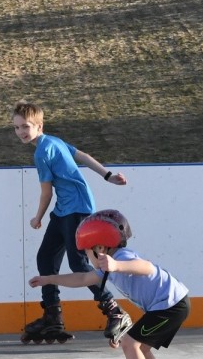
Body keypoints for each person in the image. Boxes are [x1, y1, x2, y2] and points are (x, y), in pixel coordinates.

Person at [29, 209, 190, 359]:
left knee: (130, 343)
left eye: (87, 252)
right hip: (168, 305)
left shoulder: (122, 259)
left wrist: (116, 266)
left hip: (171, 306)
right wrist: (49, 279)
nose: (86, 257)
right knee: (140, 348)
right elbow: (83, 278)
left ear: (101, 248)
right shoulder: (107, 268)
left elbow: (147, 267)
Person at [12, 100, 132, 345]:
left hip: (75, 209)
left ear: (39, 125)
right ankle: (52, 315)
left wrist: (38, 217)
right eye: (16, 128)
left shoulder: (43, 151)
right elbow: (84, 157)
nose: (21, 132)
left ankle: (115, 312)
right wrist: (107, 175)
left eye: (25, 126)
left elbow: (46, 192)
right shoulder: (54, 141)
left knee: (79, 263)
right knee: (45, 257)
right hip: (65, 209)